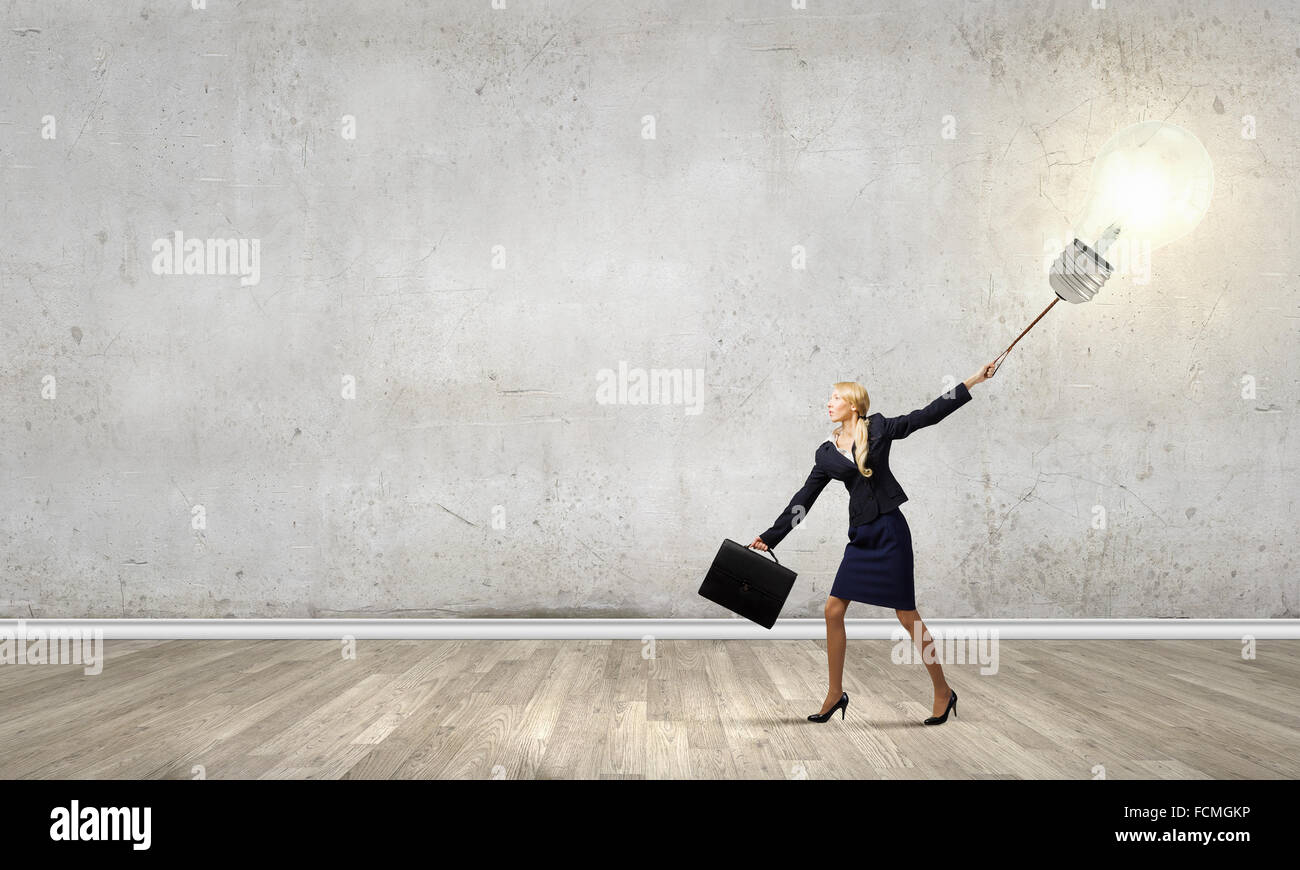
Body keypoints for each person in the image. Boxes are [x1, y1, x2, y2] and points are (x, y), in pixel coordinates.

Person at [750, 361, 998, 725]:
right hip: (861, 537)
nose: (829, 403)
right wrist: (770, 537)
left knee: (907, 616)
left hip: (891, 532)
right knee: (833, 610)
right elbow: (804, 498)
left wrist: (974, 379)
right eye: (830, 398)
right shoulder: (826, 453)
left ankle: (943, 691)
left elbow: (926, 415)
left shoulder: (878, 428)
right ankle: (835, 694)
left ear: (853, 404)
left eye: (836, 397)